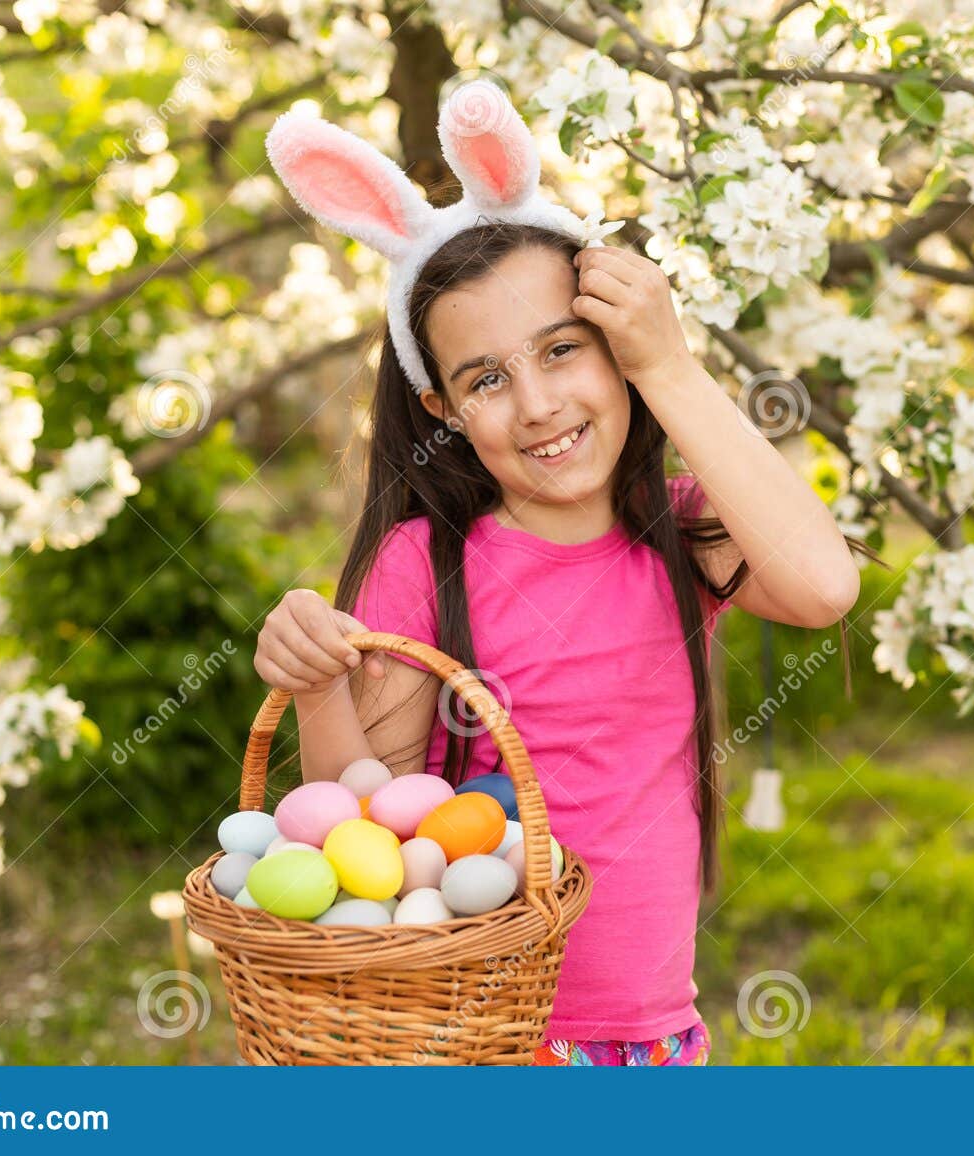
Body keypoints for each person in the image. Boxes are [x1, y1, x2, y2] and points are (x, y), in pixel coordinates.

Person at [253, 79, 866, 1066]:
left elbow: (823, 586)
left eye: (564, 350)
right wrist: (316, 686)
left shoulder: (678, 528)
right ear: (439, 404)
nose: (537, 403)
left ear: (613, 345)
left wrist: (669, 365)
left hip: (649, 1038)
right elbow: (363, 828)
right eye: (485, 377)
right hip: (471, 1039)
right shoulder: (426, 560)